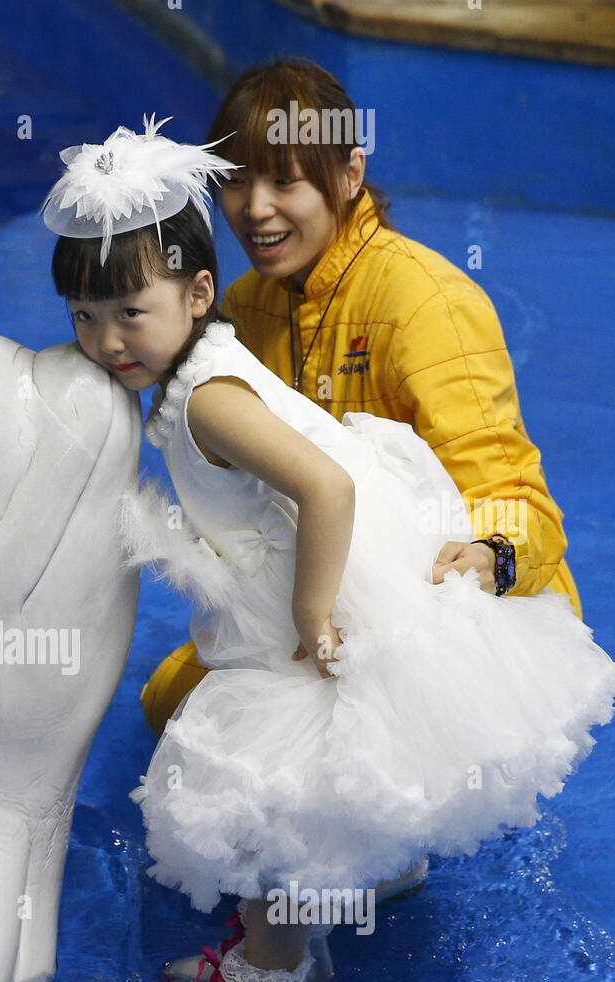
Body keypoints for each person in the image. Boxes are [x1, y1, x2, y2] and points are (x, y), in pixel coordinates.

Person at [42, 117, 615, 982]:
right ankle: (288, 956)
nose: (107, 341)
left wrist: (313, 612)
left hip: (324, 608)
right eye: (83, 317)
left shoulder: (209, 399)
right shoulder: (204, 361)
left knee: (275, 798)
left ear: (196, 292)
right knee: (287, 795)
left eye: (129, 313)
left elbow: (327, 486)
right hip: (305, 588)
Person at [142, 59, 582, 737]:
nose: (254, 210)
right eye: (236, 180)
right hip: (328, 596)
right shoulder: (245, 305)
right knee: (172, 703)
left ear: (350, 173)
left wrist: (492, 558)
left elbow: (520, 502)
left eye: (284, 180)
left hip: (456, 608)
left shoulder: (428, 305)